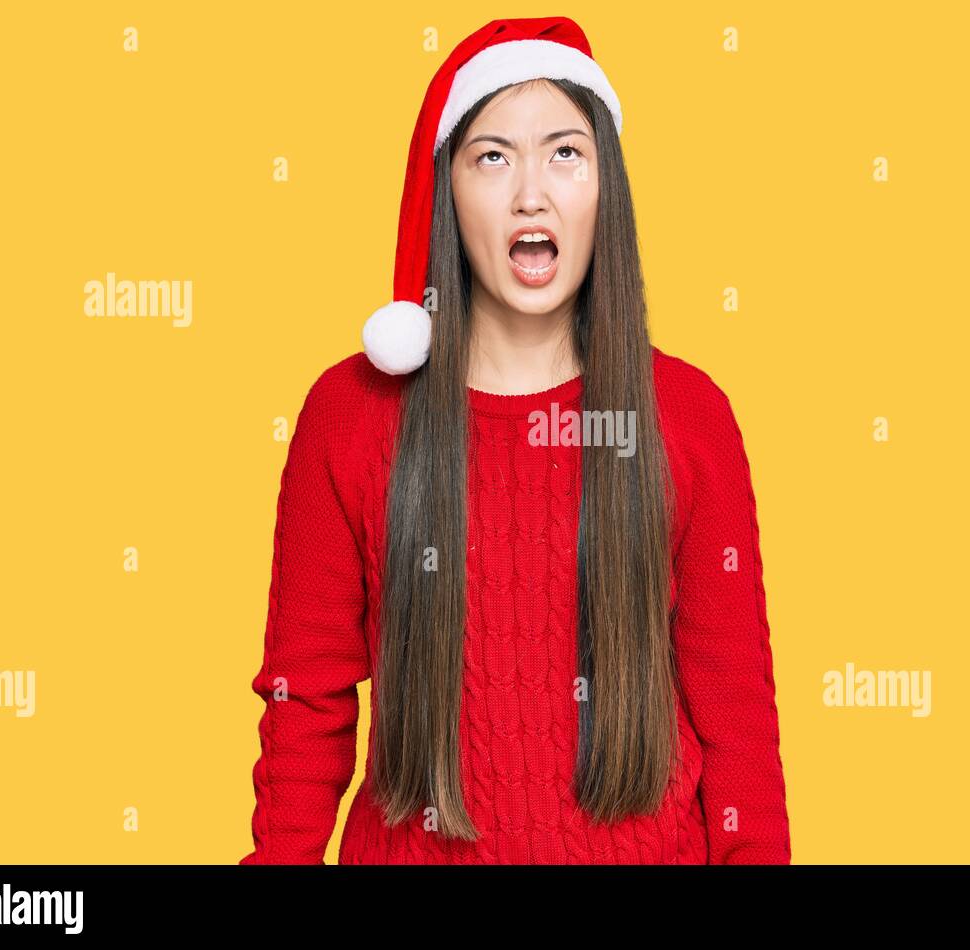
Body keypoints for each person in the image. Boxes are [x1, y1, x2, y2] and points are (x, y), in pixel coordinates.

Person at [240, 16, 789, 864]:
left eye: (565, 153)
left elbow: (737, 719)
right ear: (447, 195)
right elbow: (303, 708)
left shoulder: (688, 416)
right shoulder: (348, 415)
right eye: (492, 157)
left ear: (606, 185)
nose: (531, 192)